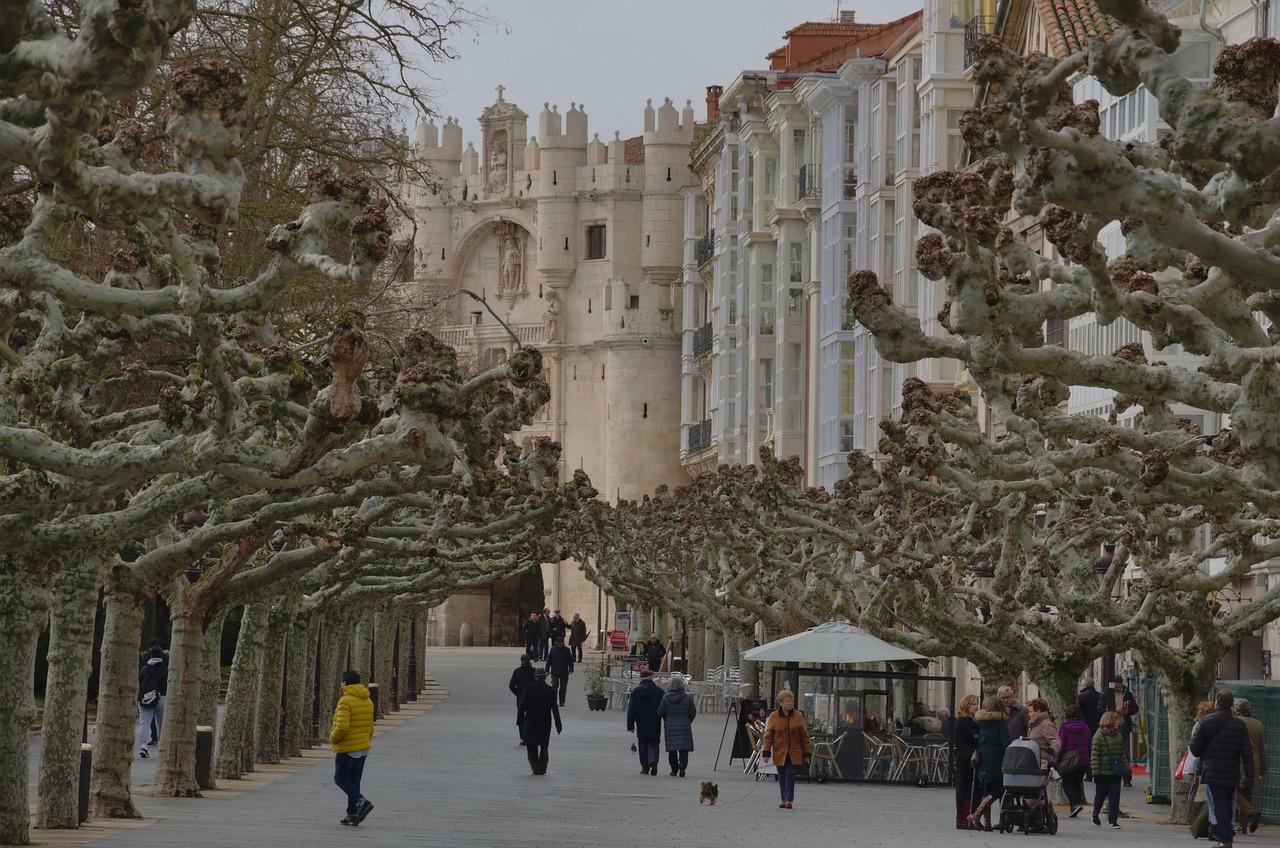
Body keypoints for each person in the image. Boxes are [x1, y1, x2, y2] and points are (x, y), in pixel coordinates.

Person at [1190, 689, 1254, 847]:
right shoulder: (1239, 725)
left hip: (1212, 771)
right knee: (1228, 805)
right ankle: (1225, 838)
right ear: (1231, 704)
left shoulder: (1205, 721)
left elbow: (1195, 748)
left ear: (1217, 702)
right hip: (1232, 772)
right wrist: (1250, 775)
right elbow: (1247, 752)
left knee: (1219, 805)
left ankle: (1225, 839)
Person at [330, 670, 375, 826]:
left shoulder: (345, 701)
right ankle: (353, 812)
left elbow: (342, 727)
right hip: (363, 747)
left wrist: (333, 738)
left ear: (345, 682)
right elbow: (370, 726)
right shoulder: (368, 700)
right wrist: (367, 741)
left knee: (340, 778)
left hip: (348, 747)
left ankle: (362, 801)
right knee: (354, 781)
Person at [761, 689, 812, 809]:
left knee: (790, 774)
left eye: (791, 701)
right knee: (782, 776)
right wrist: (766, 752)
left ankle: (789, 800)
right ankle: (783, 799)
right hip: (780, 752)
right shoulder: (774, 717)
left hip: (794, 752)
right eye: (788, 701)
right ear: (781, 703)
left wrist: (807, 753)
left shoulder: (798, 716)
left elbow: (805, 736)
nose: (790, 703)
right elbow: (768, 736)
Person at [969, 696, 1011, 830]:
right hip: (997, 758)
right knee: (997, 789)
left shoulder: (982, 722)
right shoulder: (1000, 723)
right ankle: (976, 814)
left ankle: (987, 823)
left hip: (983, 757)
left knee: (986, 789)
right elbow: (1006, 743)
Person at [517, 669, 562, 775]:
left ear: (535, 677)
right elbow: (555, 709)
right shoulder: (551, 690)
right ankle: (543, 767)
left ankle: (535, 768)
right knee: (544, 745)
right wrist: (558, 725)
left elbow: (522, 706)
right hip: (545, 721)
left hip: (530, 720)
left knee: (531, 745)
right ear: (545, 677)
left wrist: (519, 721)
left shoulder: (528, 689)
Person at [1234, 698, 1267, 834]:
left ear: (1237, 709)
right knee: (1247, 792)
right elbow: (1261, 748)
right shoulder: (1258, 724)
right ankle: (1243, 827)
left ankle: (1251, 812)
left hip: (1240, 760)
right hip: (1255, 762)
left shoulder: (1235, 722)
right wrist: (1263, 768)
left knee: (1232, 789)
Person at [1090, 710, 1127, 829]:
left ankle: (1113, 820)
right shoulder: (1099, 736)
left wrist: (1125, 767)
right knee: (1100, 795)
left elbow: (1122, 753)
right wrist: (1095, 772)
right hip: (1102, 772)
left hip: (1115, 772)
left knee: (1115, 796)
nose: (1119, 722)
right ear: (1110, 721)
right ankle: (1095, 813)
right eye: (1116, 720)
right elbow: (1095, 755)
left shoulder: (1118, 735)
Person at [1057, 703, 1093, 817]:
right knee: (1077, 782)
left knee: (1067, 784)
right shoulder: (1085, 727)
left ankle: (1074, 804)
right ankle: (1075, 806)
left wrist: (1057, 758)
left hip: (1069, 759)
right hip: (1083, 760)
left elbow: (1061, 744)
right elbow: (1089, 744)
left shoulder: (1064, 727)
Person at [1099, 675, 1136, 785]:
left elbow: (1135, 708)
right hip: (1110, 726)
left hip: (1123, 726)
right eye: (1116, 687)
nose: (1118, 689)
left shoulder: (1127, 694)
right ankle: (1111, 775)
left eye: (1120, 686)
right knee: (1110, 751)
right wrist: (1110, 710)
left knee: (1125, 753)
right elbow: (1100, 707)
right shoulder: (1106, 694)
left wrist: (1126, 712)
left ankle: (1126, 778)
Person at [656, 675, 696, 776]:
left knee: (672, 750)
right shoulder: (687, 698)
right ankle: (682, 765)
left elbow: (660, 712)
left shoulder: (665, 698)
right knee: (684, 749)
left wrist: (666, 719)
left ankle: (674, 769)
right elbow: (693, 712)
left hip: (670, 726)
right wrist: (688, 721)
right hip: (684, 726)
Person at [626, 669, 664, 775]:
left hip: (641, 722)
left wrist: (630, 725)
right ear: (651, 678)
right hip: (655, 721)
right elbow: (664, 707)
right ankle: (653, 760)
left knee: (642, 744)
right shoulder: (659, 692)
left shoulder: (635, 692)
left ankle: (645, 767)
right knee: (654, 742)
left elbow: (631, 710)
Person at [953, 694, 981, 830]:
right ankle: (962, 819)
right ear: (966, 706)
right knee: (964, 789)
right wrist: (970, 752)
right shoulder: (962, 721)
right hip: (965, 760)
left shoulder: (978, 721)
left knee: (975, 789)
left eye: (977, 704)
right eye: (973, 704)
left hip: (977, 759)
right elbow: (958, 742)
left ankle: (973, 817)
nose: (976, 706)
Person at [137, 641, 168, 758]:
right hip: (161, 698)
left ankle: (143, 746)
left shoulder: (144, 669)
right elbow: (166, 684)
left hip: (145, 699)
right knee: (161, 723)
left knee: (144, 723)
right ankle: (162, 746)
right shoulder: (164, 669)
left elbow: (139, 682)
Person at [508, 653, 536, 744]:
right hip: (531, 698)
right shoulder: (534, 671)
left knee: (521, 717)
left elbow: (511, 685)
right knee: (531, 717)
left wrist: (518, 693)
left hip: (521, 698)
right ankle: (529, 736)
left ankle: (523, 737)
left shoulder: (517, 671)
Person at [1026, 698, 1060, 769]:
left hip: (1042, 762)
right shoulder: (1034, 725)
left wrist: (1052, 749)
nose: (1029, 715)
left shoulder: (1046, 724)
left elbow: (1056, 741)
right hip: (1033, 761)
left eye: (1031, 712)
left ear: (1038, 711)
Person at [545, 637, 574, 707]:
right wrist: (547, 670)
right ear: (556, 643)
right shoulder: (553, 649)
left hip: (564, 672)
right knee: (554, 686)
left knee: (563, 688)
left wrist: (571, 669)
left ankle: (562, 701)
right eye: (558, 643)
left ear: (563, 643)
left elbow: (570, 661)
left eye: (561, 643)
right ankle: (554, 701)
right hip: (555, 671)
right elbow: (549, 661)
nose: (559, 644)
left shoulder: (567, 650)